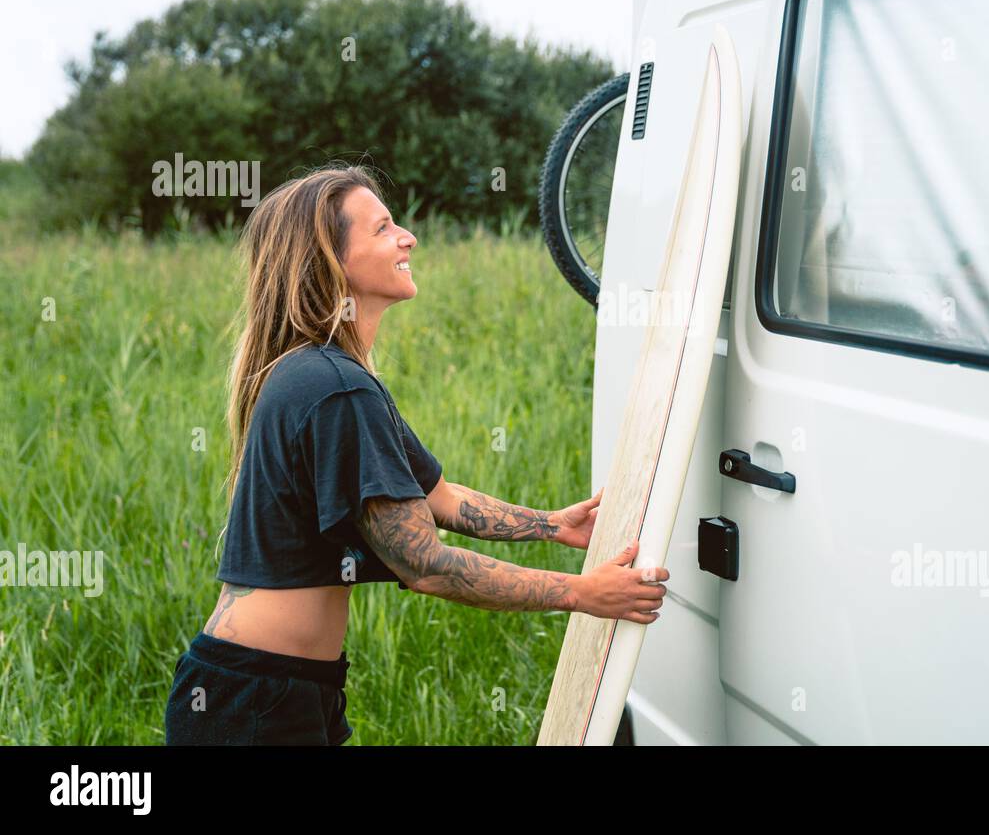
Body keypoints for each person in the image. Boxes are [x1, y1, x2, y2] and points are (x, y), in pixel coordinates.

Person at [163, 164, 668, 745]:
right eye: (382, 229)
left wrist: (555, 526)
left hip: (280, 688)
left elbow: (442, 499)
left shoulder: (333, 374)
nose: (409, 238)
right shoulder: (334, 386)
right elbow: (424, 565)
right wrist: (583, 594)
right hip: (255, 703)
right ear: (330, 260)